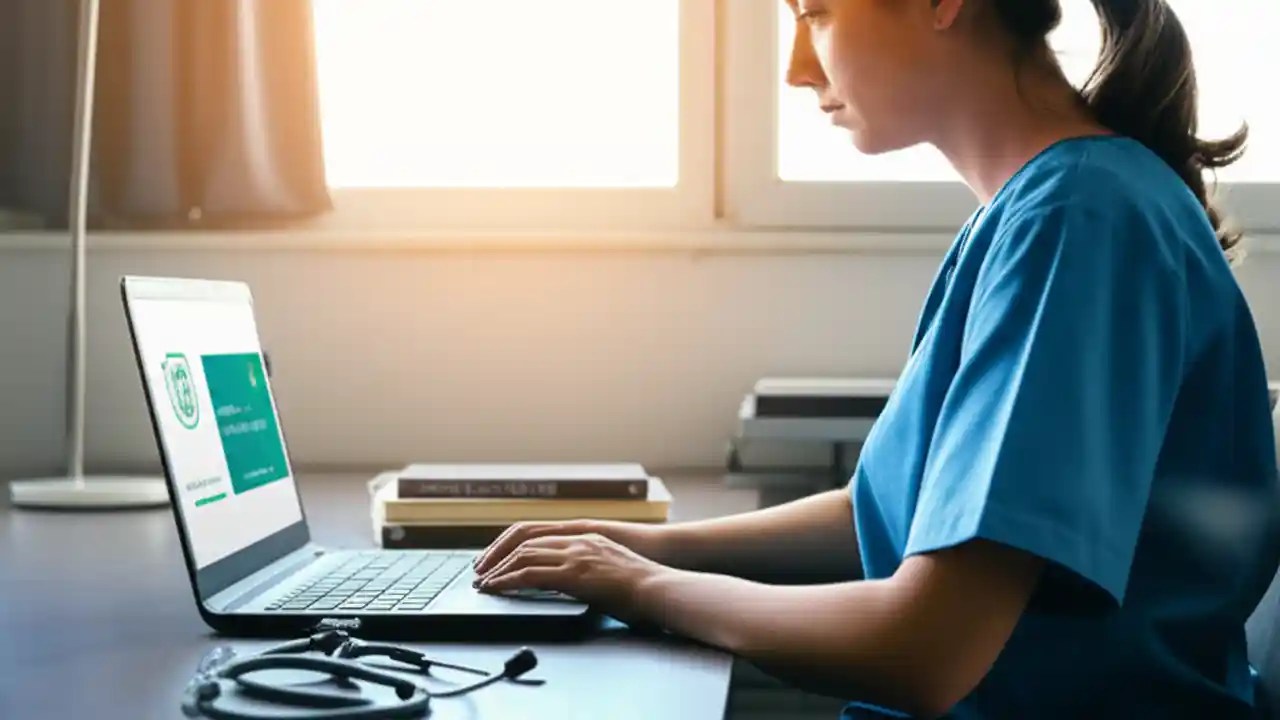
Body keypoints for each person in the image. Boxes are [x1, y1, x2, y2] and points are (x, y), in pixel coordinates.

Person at [471, 1, 1280, 717]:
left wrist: (648, 589)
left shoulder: (1078, 220)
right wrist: (649, 546)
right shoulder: (1046, 207)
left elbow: (925, 652)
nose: (796, 69)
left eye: (814, 13)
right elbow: (884, 511)